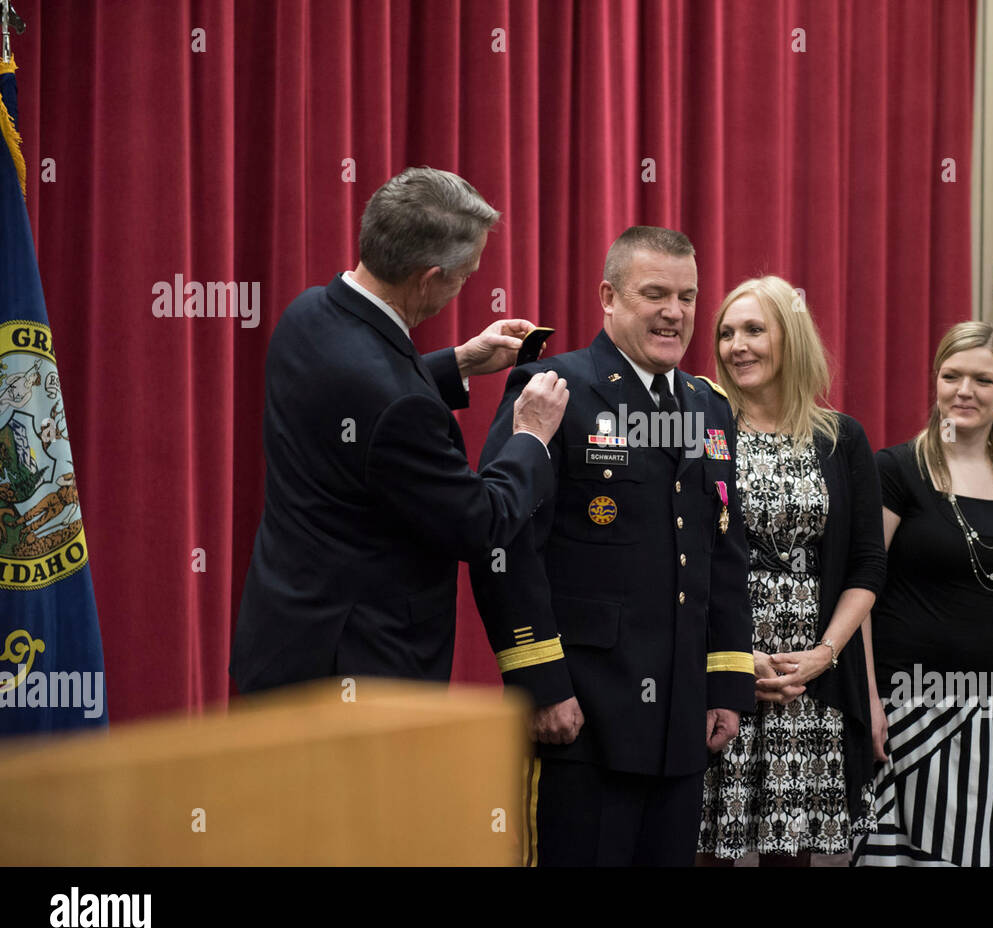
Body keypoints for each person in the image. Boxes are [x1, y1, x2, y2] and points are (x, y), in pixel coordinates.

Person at [470, 226, 754, 867]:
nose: (674, 313)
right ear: (608, 296)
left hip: (680, 719)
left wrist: (727, 686)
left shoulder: (707, 406)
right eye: (654, 293)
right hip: (584, 713)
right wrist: (541, 684)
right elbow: (506, 548)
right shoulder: (552, 390)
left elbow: (722, 551)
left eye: (687, 296)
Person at [232, 167, 568, 693]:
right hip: (359, 674)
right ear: (429, 277)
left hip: (281, 646)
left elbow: (363, 399)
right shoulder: (397, 406)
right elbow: (480, 524)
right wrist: (530, 435)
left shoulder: (307, 314)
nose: (464, 287)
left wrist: (459, 362)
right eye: (465, 276)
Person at [695, 276, 888, 866]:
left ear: (792, 339)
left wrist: (829, 657)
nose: (737, 346)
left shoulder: (840, 438)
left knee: (790, 855)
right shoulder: (704, 432)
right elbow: (682, 559)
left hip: (810, 678)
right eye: (727, 333)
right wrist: (733, 659)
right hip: (722, 668)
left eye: (754, 330)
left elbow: (866, 563)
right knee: (709, 850)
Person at [851, 321, 993, 867]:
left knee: (983, 855)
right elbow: (861, 591)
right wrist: (868, 698)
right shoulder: (894, 470)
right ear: (936, 382)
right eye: (951, 375)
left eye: (983, 380)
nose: (964, 391)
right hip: (906, 706)